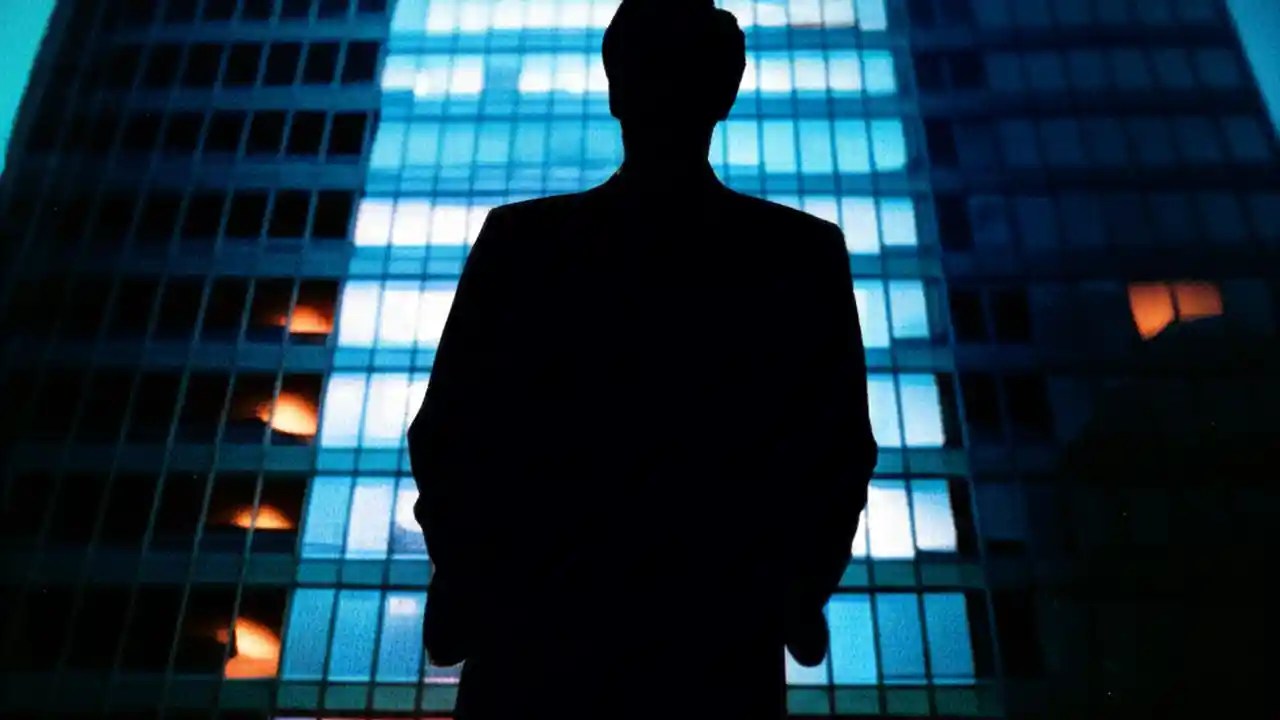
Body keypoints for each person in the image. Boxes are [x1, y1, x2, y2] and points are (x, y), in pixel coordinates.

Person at [406, 1, 878, 717]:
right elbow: (835, 453)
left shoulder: (521, 242)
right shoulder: (799, 255)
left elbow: (451, 433)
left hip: (535, 640)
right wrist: (788, 594)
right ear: (725, 95)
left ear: (614, 90)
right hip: (716, 648)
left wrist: (476, 579)